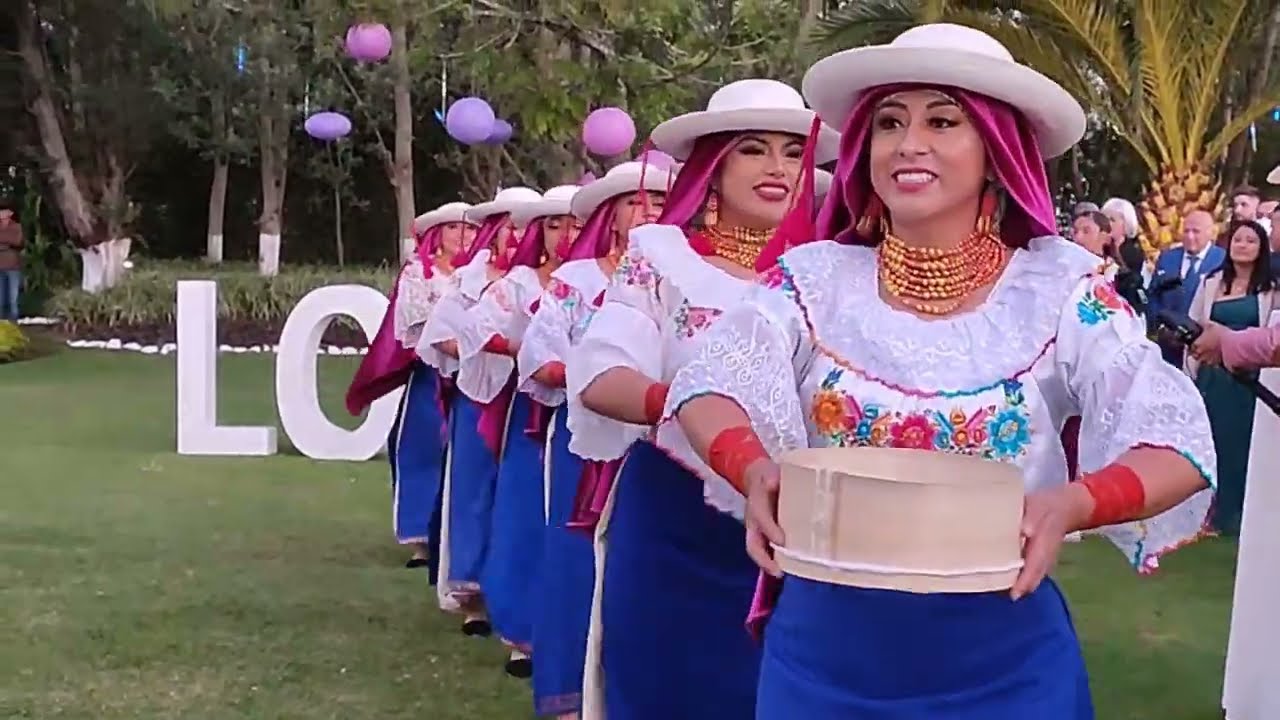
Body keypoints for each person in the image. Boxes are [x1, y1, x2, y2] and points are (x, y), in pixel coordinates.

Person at [667, 23, 1215, 718]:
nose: (909, 143)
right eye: (890, 122)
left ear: (996, 152)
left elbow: (1178, 441)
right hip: (824, 659)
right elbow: (710, 383)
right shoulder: (810, 282)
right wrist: (753, 468)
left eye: (942, 120)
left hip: (1002, 662)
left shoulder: (1061, 291)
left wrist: (1071, 503)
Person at [566, 78, 839, 719]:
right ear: (713, 168)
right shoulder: (661, 258)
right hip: (679, 518)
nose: (777, 168)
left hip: (805, 527)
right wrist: (698, 404)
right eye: (754, 149)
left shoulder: (836, 274)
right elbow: (602, 374)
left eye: (793, 152)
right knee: (670, 684)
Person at [517, 161, 673, 720]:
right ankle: (563, 692)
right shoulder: (577, 281)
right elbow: (538, 355)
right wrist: (598, 379)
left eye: (661, 201)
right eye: (637, 202)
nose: (650, 212)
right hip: (588, 442)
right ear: (611, 215)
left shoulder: (682, 274)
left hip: (663, 446)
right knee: (575, 556)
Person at [457, 184, 581, 678]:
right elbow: (470, 330)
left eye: (573, 222)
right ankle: (522, 636)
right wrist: (527, 352)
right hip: (532, 413)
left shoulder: (615, 279)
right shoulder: (520, 283)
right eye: (553, 224)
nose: (565, 233)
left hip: (608, 422)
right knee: (527, 516)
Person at [417, 185, 542, 635]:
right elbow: (439, 336)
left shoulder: (546, 279)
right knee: (473, 491)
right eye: (510, 226)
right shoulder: (473, 279)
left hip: (528, 400)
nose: (517, 235)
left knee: (517, 499)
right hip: (481, 394)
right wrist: (487, 347)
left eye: (525, 226)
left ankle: (514, 599)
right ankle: (472, 595)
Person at [346, 202, 475, 574]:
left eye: (468, 230)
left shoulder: (480, 273)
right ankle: (419, 537)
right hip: (432, 371)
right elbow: (416, 320)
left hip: (472, 372)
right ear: (439, 234)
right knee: (420, 448)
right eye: (454, 229)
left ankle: (453, 536)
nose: (463, 237)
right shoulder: (419, 272)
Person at [1185, 220, 1276, 536]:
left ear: (1261, 248)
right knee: (1210, 443)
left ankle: (1235, 515)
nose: (1243, 245)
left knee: (1241, 445)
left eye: (1251, 240)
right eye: (1238, 239)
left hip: (1250, 382)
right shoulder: (1211, 282)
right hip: (1214, 377)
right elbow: (1195, 324)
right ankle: (1204, 514)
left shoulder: (1271, 289)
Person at [1149, 209, 1226, 365]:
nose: (1190, 236)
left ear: (1210, 233)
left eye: (1196, 231)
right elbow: (1154, 294)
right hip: (1166, 346)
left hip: (1203, 349)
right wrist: (1161, 328)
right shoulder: (1167, 257)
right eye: (1186, 231)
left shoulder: (1223, 260)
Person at [0, 201, 25, 321]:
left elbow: (18, 241)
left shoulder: (16, 227)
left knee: (13, 298)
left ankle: (14, 322)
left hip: (13, 266)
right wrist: (7, 243)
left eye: (4, 211)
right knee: (1, 298)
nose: (2, 214)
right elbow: (11, 242)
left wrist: (4, 242)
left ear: (10, 213)